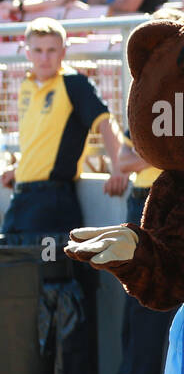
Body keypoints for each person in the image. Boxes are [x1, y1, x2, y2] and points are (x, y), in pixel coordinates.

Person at [0, 18, 132, 249]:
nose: (44, 57)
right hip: (21, 198)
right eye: (38, 50)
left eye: (51, 50)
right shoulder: (27, 86)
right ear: (27, 52)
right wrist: (20, 168)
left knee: (52, 278)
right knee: (13, 275)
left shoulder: (74, 83)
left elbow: (105, 122)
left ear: (63, 51)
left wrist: (118, 167)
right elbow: (39, 139)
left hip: (52, 200)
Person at [72, 137, 167, 374]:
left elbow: (135, 158)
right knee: (136, 319)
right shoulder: (153, 98)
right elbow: (126, 157)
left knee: (145, 318)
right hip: (140, 203)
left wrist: (137, 158)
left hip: (165, 205)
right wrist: (140, 158)